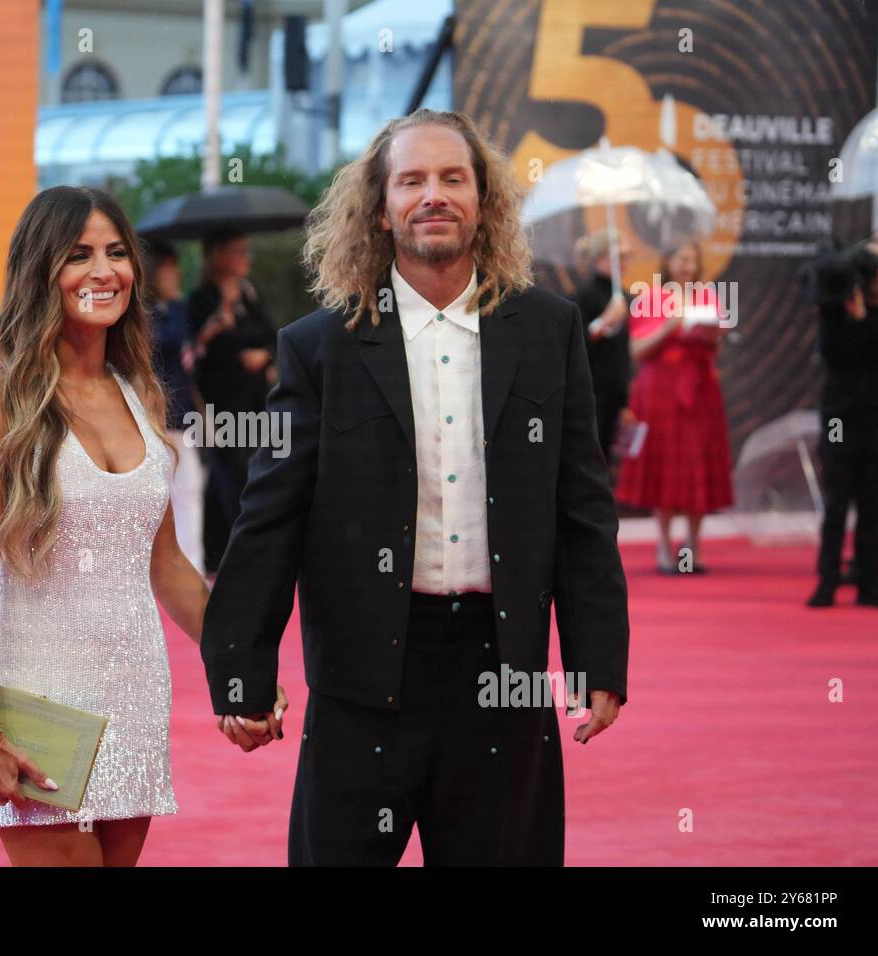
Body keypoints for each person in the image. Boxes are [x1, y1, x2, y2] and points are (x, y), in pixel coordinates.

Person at [200, 109, 629, 866]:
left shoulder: (548, 330)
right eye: (413, 180)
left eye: (452, 178)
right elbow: (269, 517)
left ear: (484, 198)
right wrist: (241, 668)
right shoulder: (319, 346)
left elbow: (582, 509)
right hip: (360, 681)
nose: (434, 195)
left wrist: (598, 658)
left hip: (505, 680)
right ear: (380, 206)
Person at [0, 186, 272, 866]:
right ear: (41, 270)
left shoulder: (140, 392)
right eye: (79, 255)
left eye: (117, 253)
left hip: (135, 692)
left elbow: (169, 566)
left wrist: (240, 669)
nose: (104, 271)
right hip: (37, 701)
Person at [615, 241, 734, 574]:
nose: (687, 265)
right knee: (665, 465)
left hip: (700, 388)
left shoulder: (707, 296)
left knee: (698, 464)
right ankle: (665, 547)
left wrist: (711, 335)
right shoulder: (650, 299)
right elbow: (637, 351)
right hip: (660, 392)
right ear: (668, 262)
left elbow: (718, 341)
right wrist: (670, 327)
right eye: (682, 258)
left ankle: (693, 547)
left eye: (692, 259)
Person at [186, 229, 278, 574]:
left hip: (254, 401)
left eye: (247, 250)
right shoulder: (201, 299)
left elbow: (271, 334)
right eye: (239, 250)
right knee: (231, 475)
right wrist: (225, 317)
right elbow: (204, 351)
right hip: (219, 405)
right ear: (219, 255)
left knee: (254, 470)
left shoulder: (249, 295)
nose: (246, 258)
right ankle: (240, 551)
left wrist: (263, 354)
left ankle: (219, 552)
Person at [808, 241, 878, 607]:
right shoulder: (833, 310)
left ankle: (869, 580)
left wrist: (864, 320)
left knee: (874, 503)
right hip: (841, 418)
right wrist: (847, 316)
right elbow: (833, 355)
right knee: (836, 502)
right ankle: (827, 579)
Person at [145, 241, 205, 574]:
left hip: (182, 416)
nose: (177, 272)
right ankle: (153, 571)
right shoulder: (139, 312)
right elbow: (161, 342)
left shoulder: (179, 307)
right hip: (151, 419)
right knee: (154, 498)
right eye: (170, 265)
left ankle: (192, 569)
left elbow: (185, 347)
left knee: (190, 490)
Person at [570, 229, 631, 466]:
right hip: (591, 393)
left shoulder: (622, 297)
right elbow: (573, 346)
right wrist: (603, 323)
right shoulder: (583, 296)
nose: (626, 262)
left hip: (614, 393)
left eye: (628, 256)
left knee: (605, 459)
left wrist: (625, 398)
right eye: (620, 256)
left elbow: (622, 354)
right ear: (600, 259)